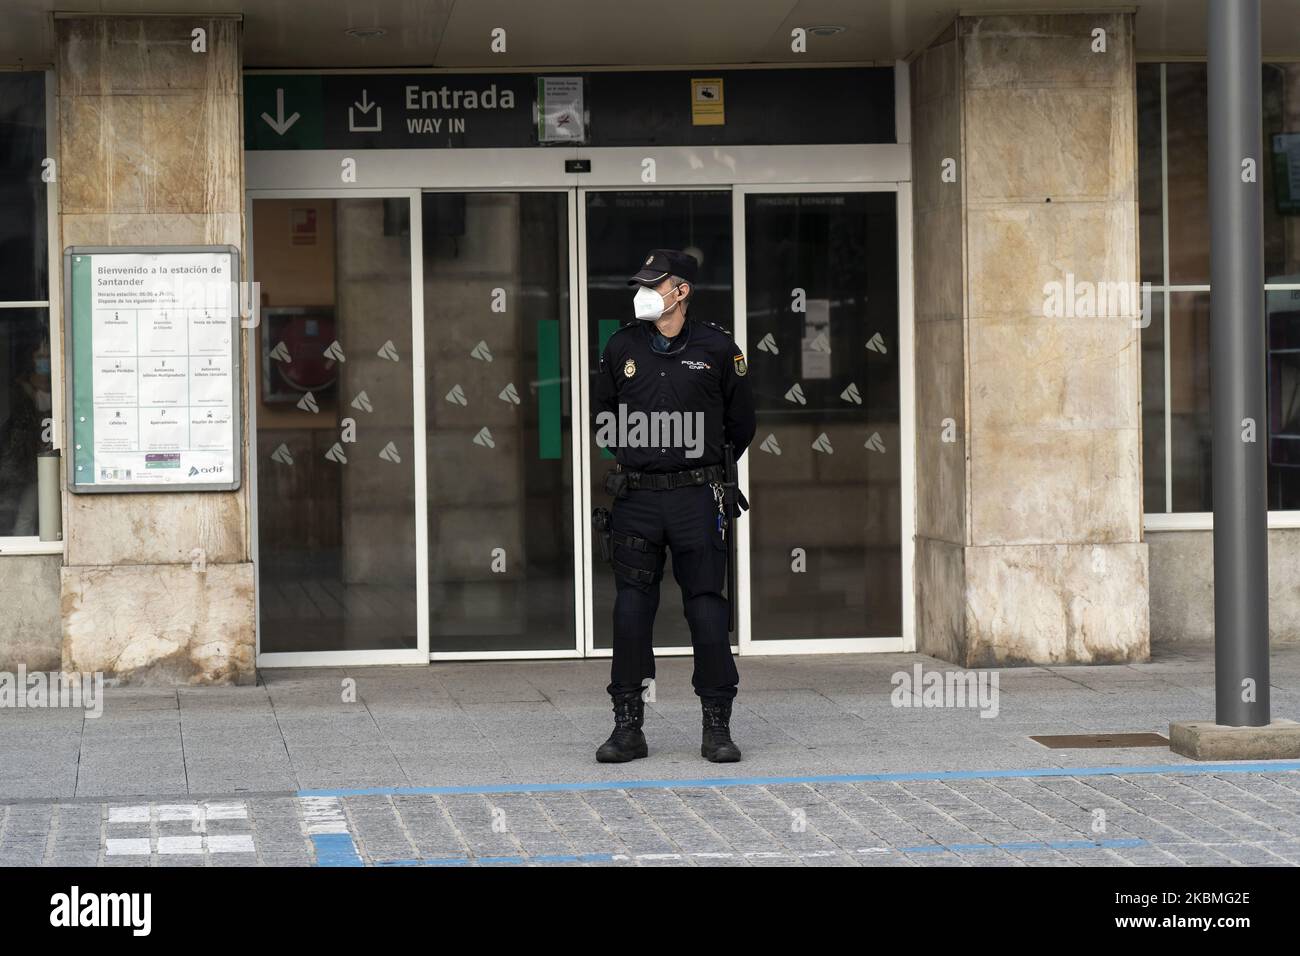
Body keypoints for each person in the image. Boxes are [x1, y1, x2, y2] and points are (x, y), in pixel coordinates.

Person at [591, 248, 755, 763]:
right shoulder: (620, 346)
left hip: (695, 497)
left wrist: (700, 466)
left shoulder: (718, 347)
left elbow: (742, 423)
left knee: (706, 607)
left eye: (654, 285)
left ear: (681, 291)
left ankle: (716, 726)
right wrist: (640, 457)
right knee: (630, 610)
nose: (643, 293)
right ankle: (627, 727)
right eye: (641, 284)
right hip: (637, 497)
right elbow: (604, 415)